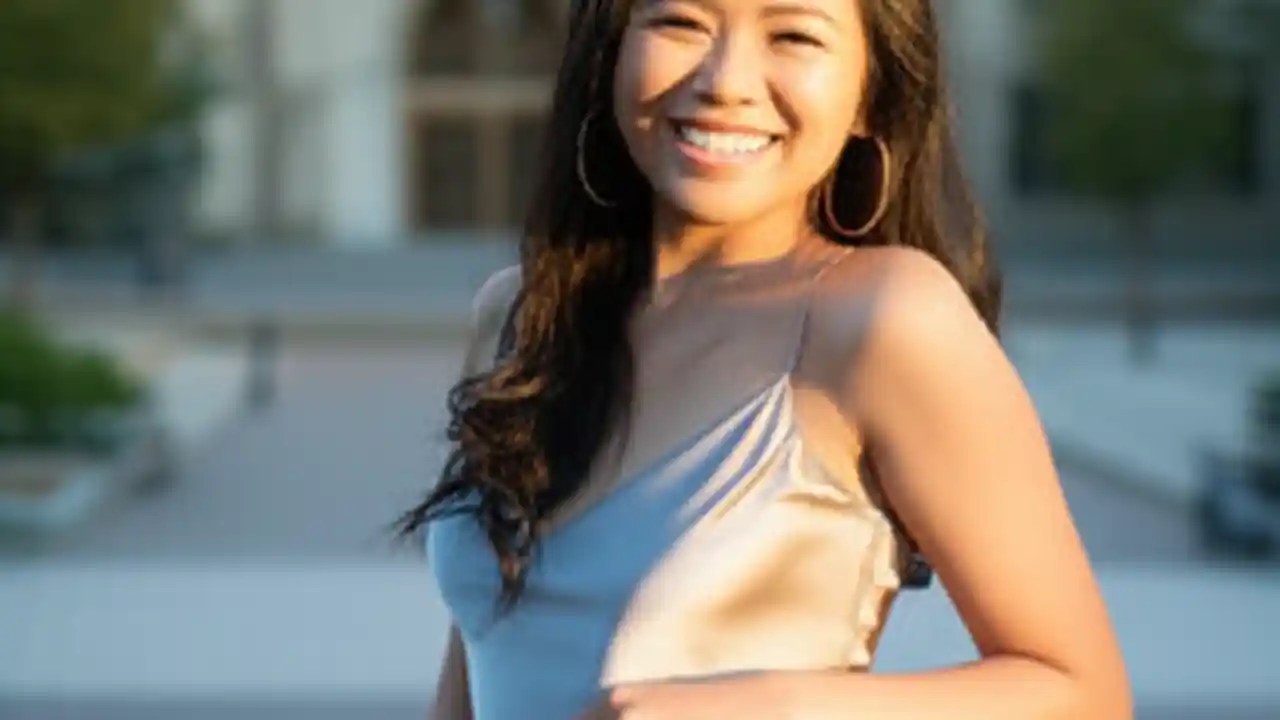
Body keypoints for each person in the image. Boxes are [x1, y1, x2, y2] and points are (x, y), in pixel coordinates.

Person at [397, 0, 1132, 718]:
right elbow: (477, 656)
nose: (726, 80)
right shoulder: (517, 315)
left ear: (871, 94)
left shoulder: (886, 319)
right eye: (681, 22)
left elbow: (1084, 694)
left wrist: (765, 707)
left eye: (794, 35)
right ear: (610, 49)